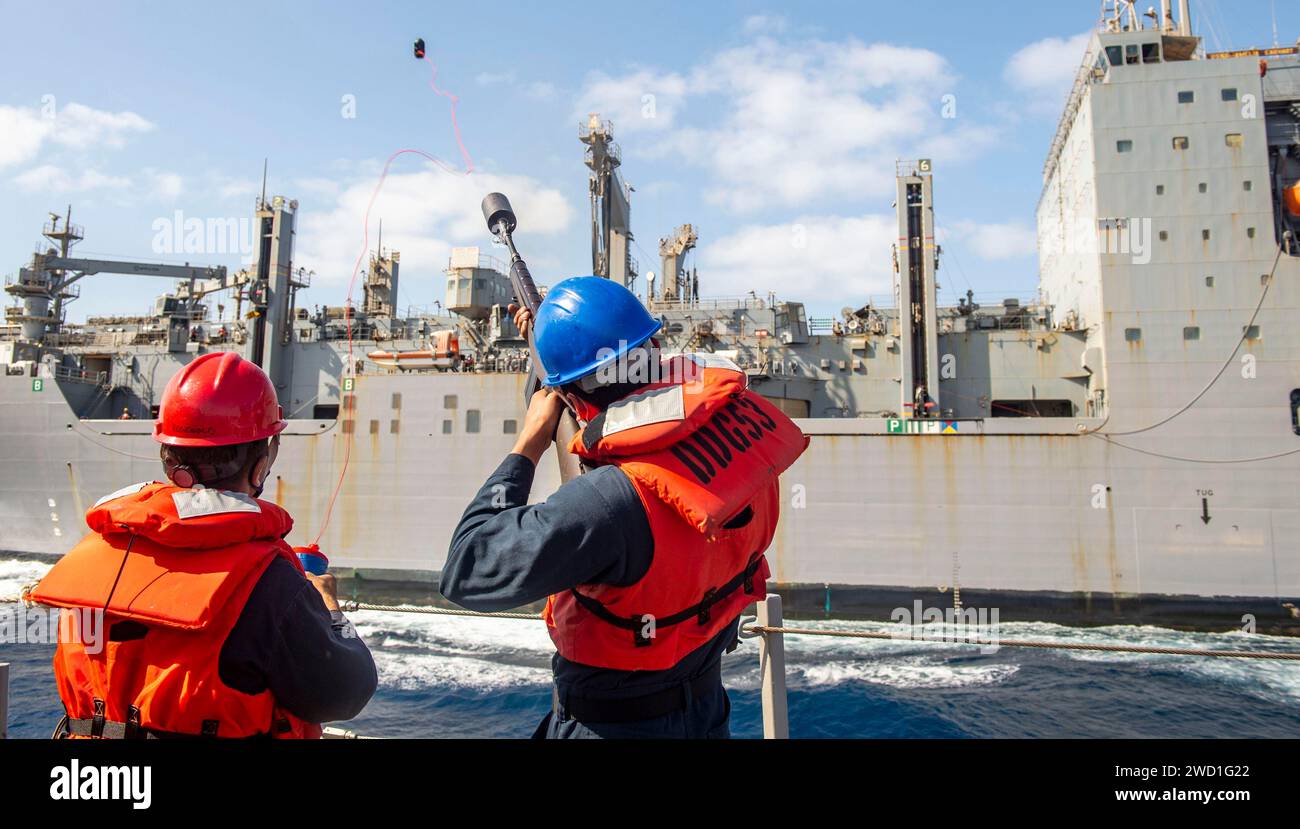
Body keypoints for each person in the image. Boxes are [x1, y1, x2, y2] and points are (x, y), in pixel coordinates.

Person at [441, 277, 807, 738]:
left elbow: (467, 571)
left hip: (613, 726)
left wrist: (528, 444)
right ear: (653, 346)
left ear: (570, 397)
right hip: (706, 712)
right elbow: (639, 449)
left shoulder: (608, 505)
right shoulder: (740, 439)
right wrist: (555, 341)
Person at [30, 351, 377, 739]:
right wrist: (329, 610)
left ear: (168, 457)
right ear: (261, 464)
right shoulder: (270, 584)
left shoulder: (96, 551)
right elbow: (346, 693)